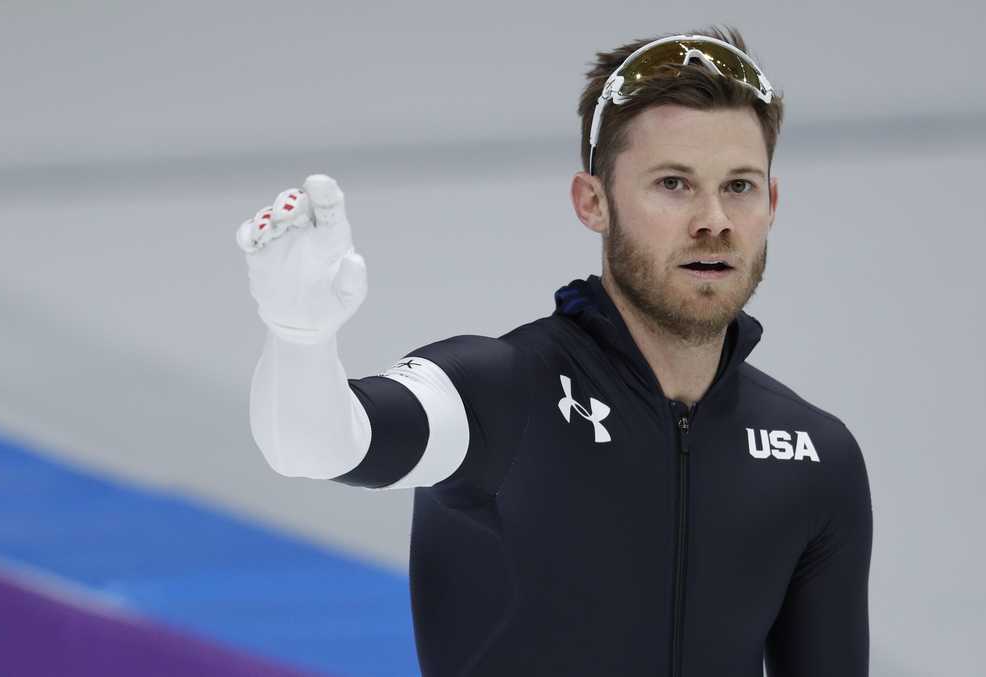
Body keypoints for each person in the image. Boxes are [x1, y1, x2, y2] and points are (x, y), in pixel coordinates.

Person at [235, 26, 873, 677]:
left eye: (738, 186)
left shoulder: (816, 458)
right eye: (674, 184)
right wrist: (299, 336)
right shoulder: (503, 393)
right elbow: (317, 443)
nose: (713, 218)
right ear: (592, 202)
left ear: (771, 202)